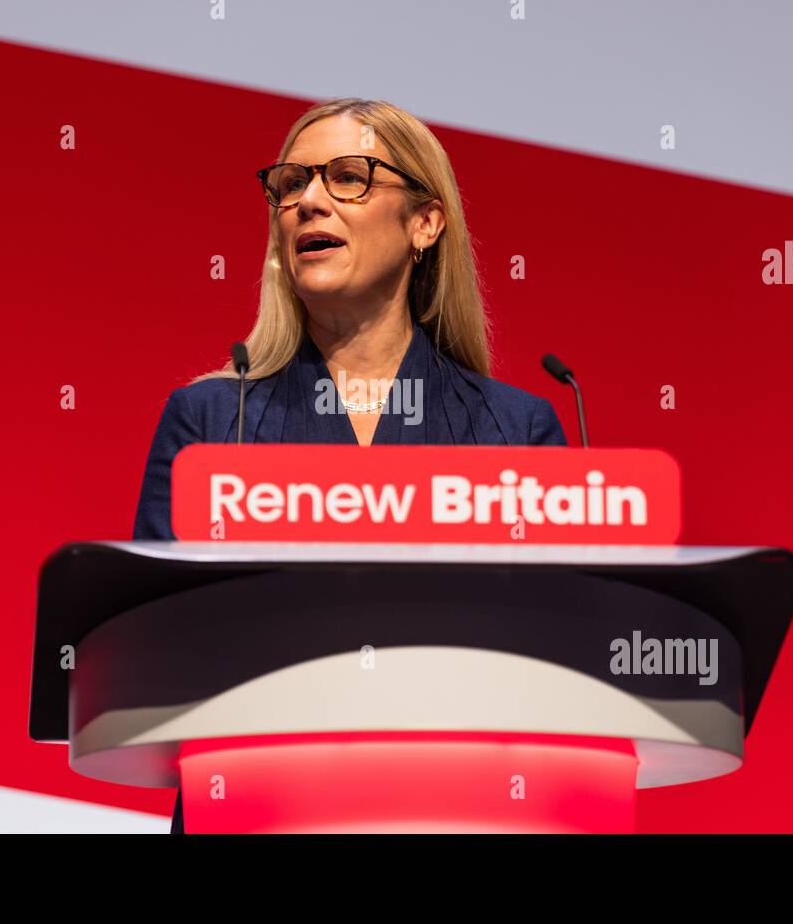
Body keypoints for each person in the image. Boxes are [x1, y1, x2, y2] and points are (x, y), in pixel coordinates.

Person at [132, 98, 568, 832]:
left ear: (425, 223)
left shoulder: (517, 432)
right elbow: (148, 660)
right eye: (291, 183)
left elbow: (559, 665)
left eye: (348, 177)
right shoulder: (212, 423)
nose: (307, 200)